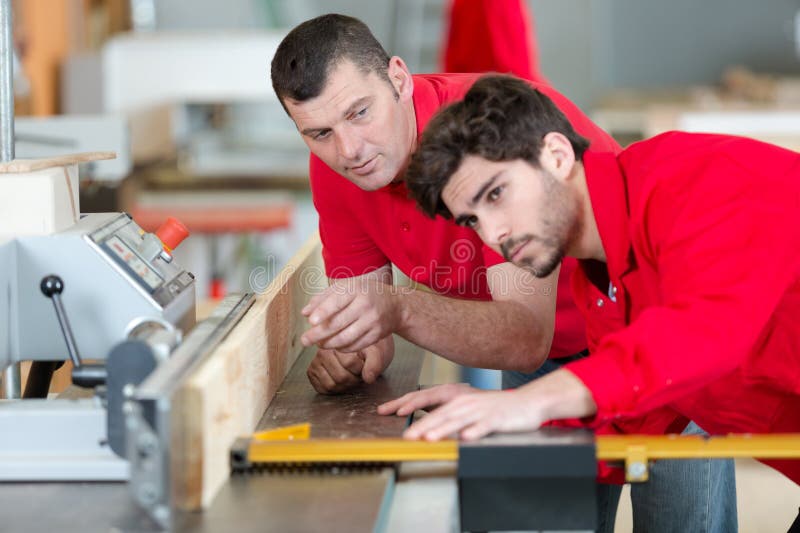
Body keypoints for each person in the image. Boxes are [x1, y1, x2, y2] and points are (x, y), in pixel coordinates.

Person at [270, 15, 735, 531]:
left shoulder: (484, 134)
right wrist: (347, 353)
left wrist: (397, 309)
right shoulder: (342, 169)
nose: (349, 149)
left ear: (398, 78)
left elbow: (523, 333)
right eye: (319, 133)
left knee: (684, 523)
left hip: (660, 335)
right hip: (551, 356)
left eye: (360, 113)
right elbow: (369, 330)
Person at [388, 74, 800, 491]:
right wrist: (492, 428)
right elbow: (625, 428)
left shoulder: (689, 180)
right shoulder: (603, 293)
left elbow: (703, 331)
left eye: (496, 195)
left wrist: (530, 401)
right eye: (472, 220)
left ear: (556, 155)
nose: (492, 234)